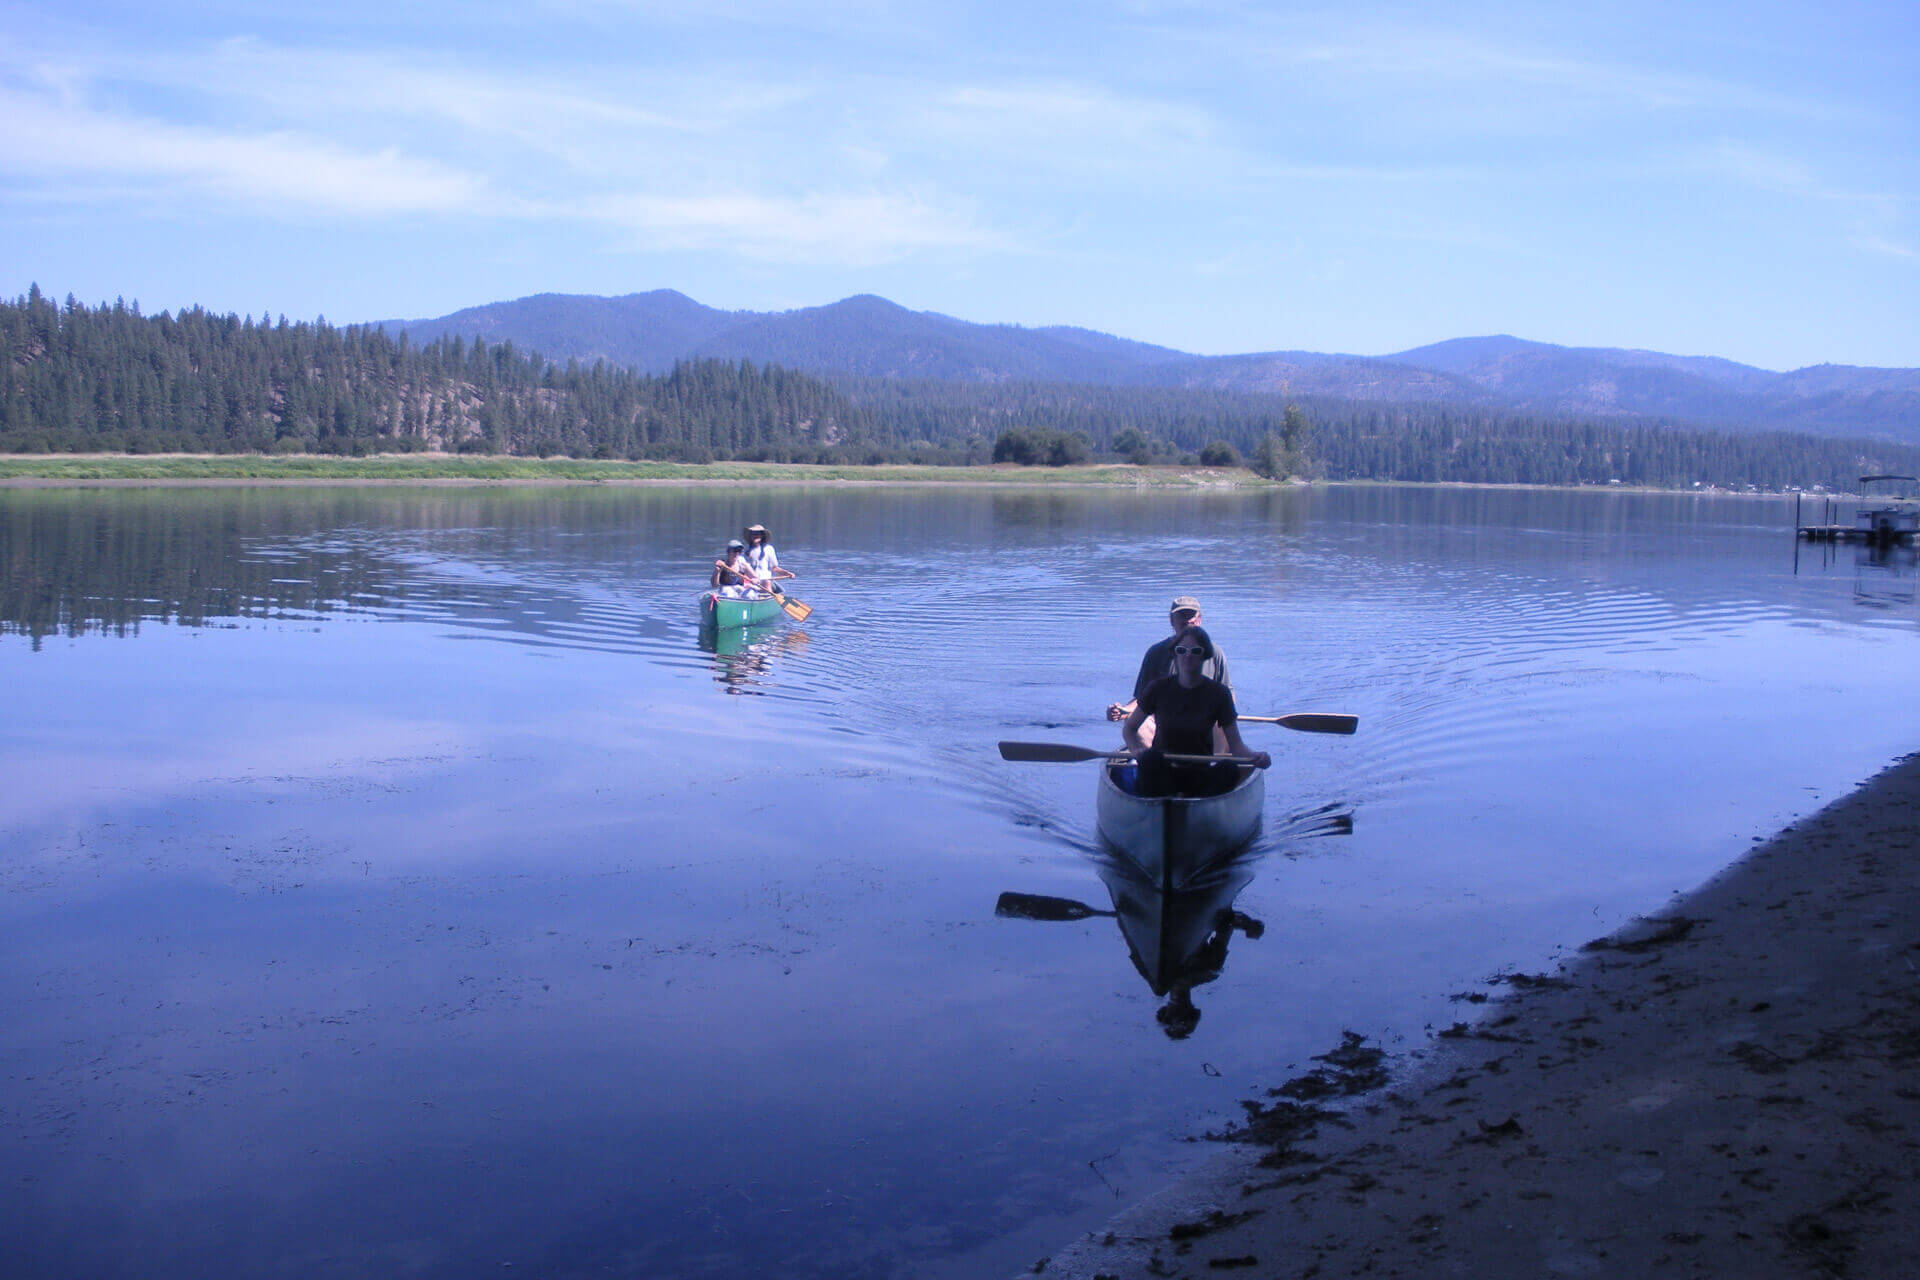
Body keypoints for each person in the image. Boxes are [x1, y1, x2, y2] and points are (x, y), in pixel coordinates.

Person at [1122, 625, 1269, 797]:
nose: (1188, 655)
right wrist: (1136, 750)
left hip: (1200, 773)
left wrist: (1257, 757)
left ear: (1205, 655)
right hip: (1163, 770)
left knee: (1228, 768)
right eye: (1182, 650)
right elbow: (1129, 729)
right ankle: (1161, 804)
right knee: (1150, 759)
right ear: (1174, 654)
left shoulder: (1219, 694)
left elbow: (1236, 746)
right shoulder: (1158, 688)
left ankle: (1198, 806)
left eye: (1195, 651)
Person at [1107, 596, 1230, 748]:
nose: (1187, 621)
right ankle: (1152, 760)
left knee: (1220, 725)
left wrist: (1228, 715)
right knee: (1135, 721)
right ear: (1172, 620)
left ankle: (1214, 765)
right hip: (1165, 722)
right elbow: (1142, 698)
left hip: (1204, 723)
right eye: (1181, 616)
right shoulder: (1156, 654)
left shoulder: (1216, 653)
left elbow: (1228, 698)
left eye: (1191, 615)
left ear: (1199, 619)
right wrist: (1123, 711)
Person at [741, 523, 795, 594]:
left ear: (762, 536)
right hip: (752, 582)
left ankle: (768, 597)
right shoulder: (746, 550)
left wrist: (787, 573)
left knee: (768, 584)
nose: (755, 536)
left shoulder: (769, 549)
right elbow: (743, 570)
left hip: (766, 582)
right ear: (750, 536)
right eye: (753, 534)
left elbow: (774, 568)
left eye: (757, 534)